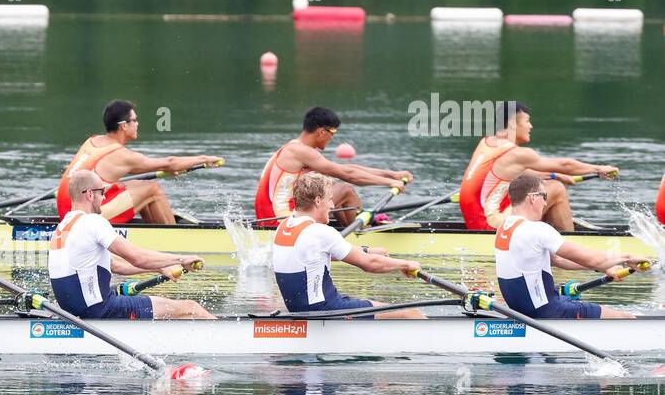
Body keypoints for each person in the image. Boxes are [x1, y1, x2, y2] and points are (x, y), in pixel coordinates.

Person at [49, 170, 213, 320]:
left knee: (170, 311)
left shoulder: (63, 227)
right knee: (191, 308)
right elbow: (137, 257)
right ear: (90, 194)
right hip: (100, 310)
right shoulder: (93, 222)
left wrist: (159, 268)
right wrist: (181, 259)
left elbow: (117, 265)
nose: (104, 198)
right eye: (102, 192)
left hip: (73, 313)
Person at [271, 173, 424, 319]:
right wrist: (406, 264)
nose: (332, 205)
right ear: (318, 201)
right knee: (411, 314)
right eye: (329, 199)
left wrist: (367, 251)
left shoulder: (283, 227)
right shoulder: (320, 231)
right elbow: (370, 265)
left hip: (301, 310)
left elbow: (315, 257)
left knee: (365, 303)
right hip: (326, 310)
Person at [493, 173, 643, 319]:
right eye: (544, 197)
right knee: (625, 317)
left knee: (572, 300)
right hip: (546, 311)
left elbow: (559, 260)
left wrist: (605, 268)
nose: (545, 203)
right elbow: (592, 260)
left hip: (520, 311)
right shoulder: (537, 229)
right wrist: (627, 258)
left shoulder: (504, 228)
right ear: (533, 198)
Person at [55, 99, 222, 225]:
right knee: (152, 189)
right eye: (134, 120)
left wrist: (170, 168)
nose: (137, 124)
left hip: (69, 209)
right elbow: (170, 162)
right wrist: (205, 159)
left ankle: (155, 231)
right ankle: (176, 238)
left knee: (137, 186)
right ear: (123, 126)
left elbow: (141, 168)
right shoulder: (121, 155)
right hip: (82, 216)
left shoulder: (92, 140)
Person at [460, 101, 617, 231]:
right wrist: (599, 168)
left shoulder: (486, 143)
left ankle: (548, 232)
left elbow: (520, 173)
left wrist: (554, 175)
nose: (531, 126)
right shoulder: (519, 154)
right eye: (527, 121)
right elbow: (565, 164)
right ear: (514, 124)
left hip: (476, 220)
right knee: (556, 189)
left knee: (543, 185)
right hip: (490, 224)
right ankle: (568, 245)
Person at [256, 106, 413, 226]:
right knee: (346, 191)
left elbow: (347, 169)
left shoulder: (295, 148)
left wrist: (392, 175)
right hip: (280, 221)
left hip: (270, 219)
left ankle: (352, 226)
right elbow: (348, 175)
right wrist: (389, 183)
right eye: (333, 133)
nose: (332, 138)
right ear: (322, 132)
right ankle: (359, 233)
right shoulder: (300, 151)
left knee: (329, 189)